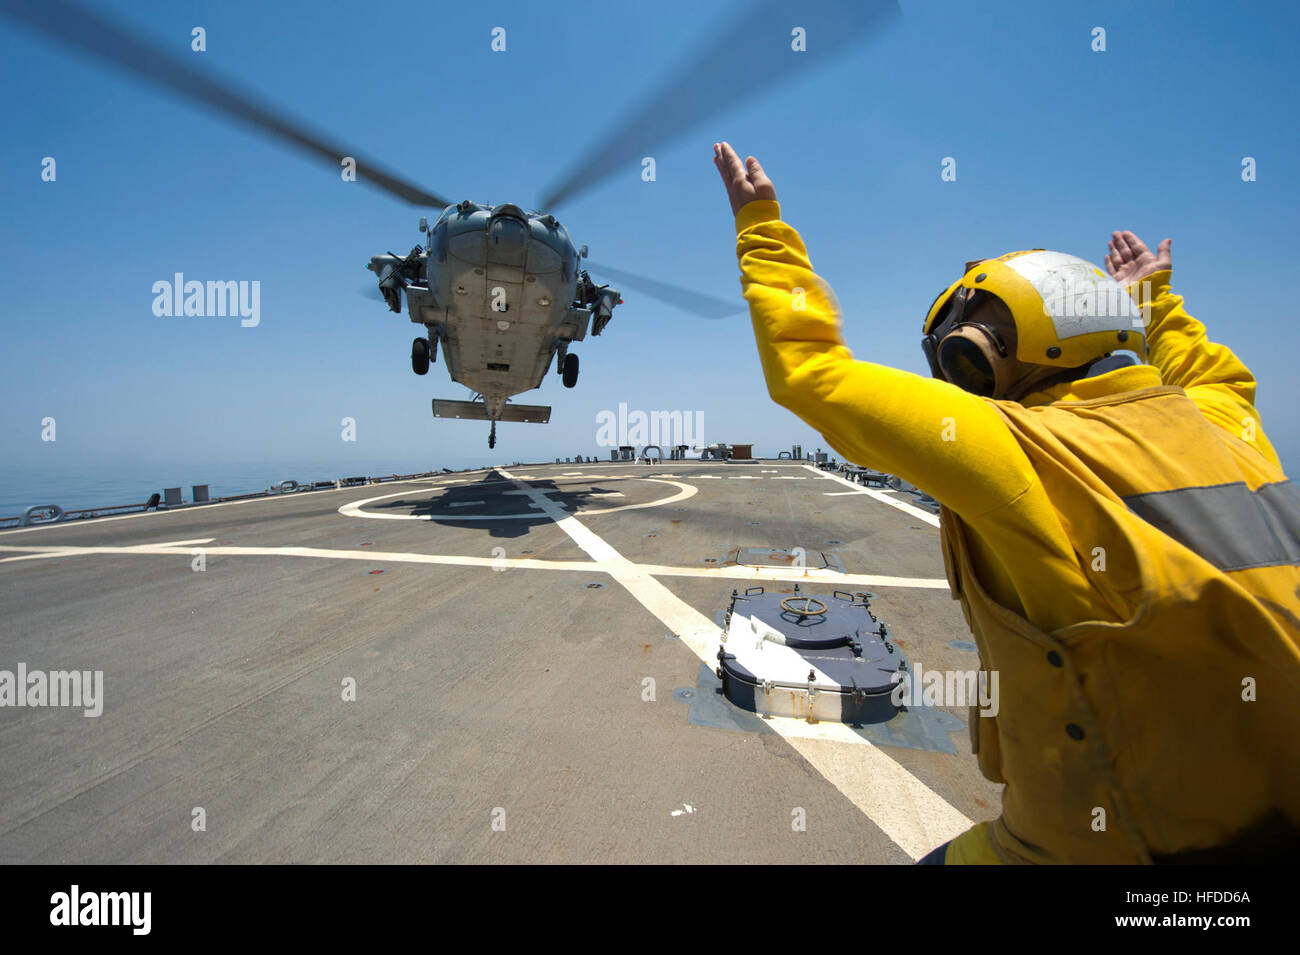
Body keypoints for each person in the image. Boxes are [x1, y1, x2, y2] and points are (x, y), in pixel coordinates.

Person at [712, 141, 1300, 864]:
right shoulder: (1227, 419)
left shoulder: (1015, 449)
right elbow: (1206, 366)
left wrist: (761, 228)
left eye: (959, 357)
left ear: (990, 348)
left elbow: (813, 375)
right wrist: (1154, 299)